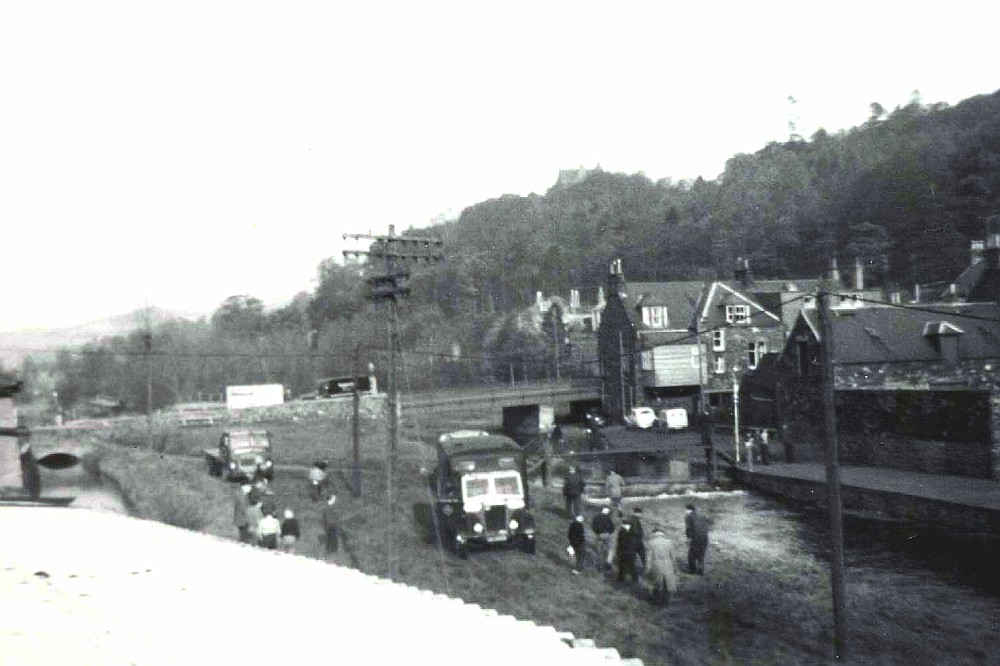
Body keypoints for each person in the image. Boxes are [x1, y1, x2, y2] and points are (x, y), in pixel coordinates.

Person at [645, 524, 679, 606]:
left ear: (654, 533)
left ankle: (656, 600)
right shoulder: (669, 542)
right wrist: (675, 567)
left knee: (656, 583)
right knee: (667, 584)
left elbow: (648, 558)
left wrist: (647, 569)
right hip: (668, 564)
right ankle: (666, 602)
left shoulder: (650, 543)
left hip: (656, 564)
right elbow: (673, 557)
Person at [685, 504, 710, 575]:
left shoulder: (689, 516)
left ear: (688, 510)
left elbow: (688, 528)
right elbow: (709, 523)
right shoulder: (703, 515)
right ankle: (700, 571)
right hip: (704, 537)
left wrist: (688, 537)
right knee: (701, 555)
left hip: (695, 538)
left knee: (691, 555)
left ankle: (692, 571)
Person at [591, 506, 615, 571]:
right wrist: (610, 533)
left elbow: (593, 527)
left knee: (599, 551)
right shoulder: (608, 518)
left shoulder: (596, 517)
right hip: (607, 535)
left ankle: (600, 565)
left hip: (600, 535)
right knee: (610, 549)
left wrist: (597, 533)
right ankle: (608, 562)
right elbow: (612, 527)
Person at [628, 506, 647, 571]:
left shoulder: (629, 519)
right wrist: (641, 534)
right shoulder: (635, 520)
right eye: (640, 513)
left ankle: (634, 570)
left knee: (633, 557)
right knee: (643, 556)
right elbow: (635, 531)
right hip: (636, 541)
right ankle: (644, 570)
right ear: (637, 513)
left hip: (631, 541)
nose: (641, 515)